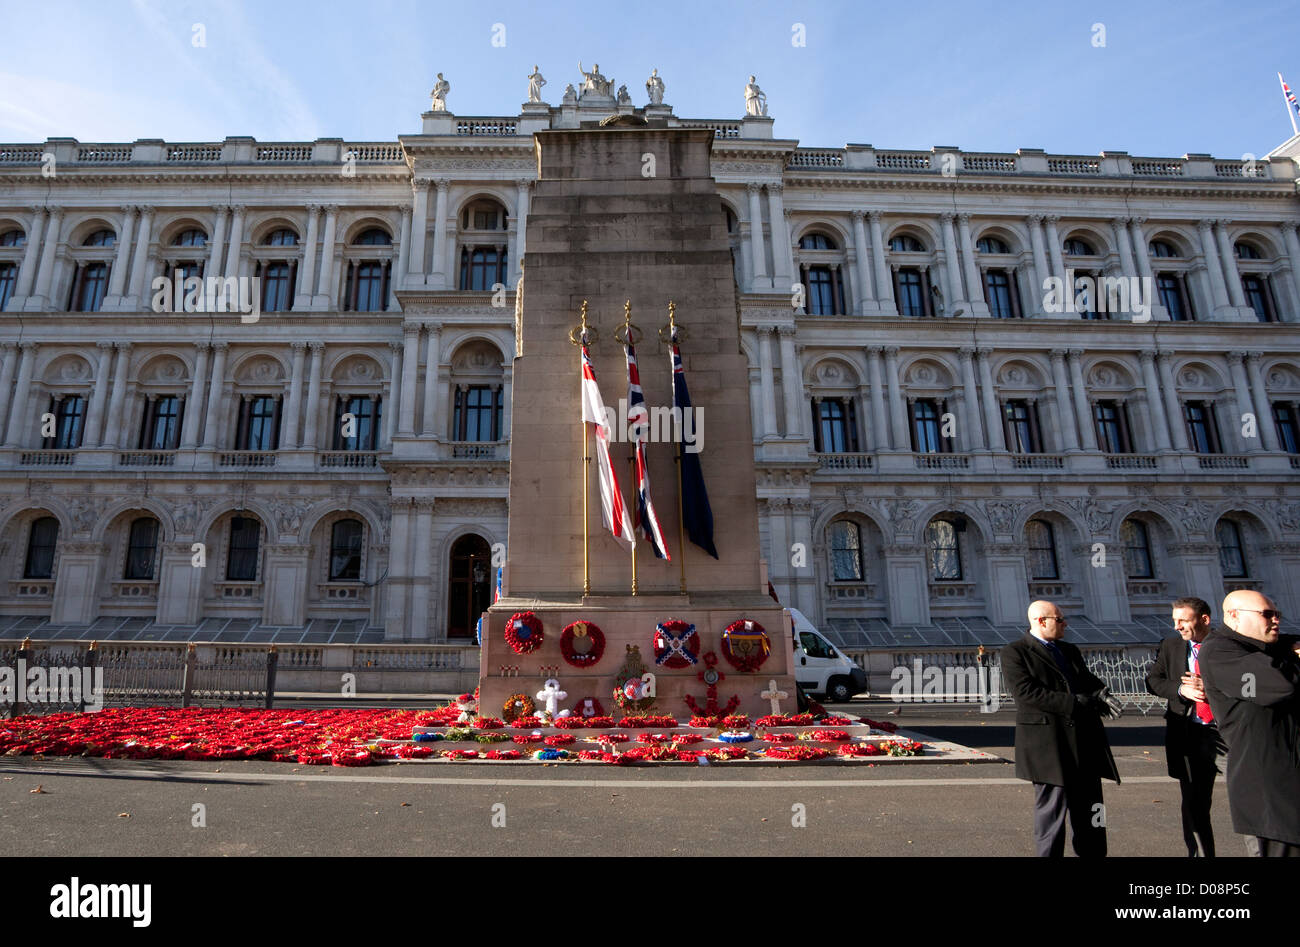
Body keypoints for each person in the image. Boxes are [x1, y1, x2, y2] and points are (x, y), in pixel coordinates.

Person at [1001, 600, 1120, 857]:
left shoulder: (1069, 650)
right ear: (1041, 621)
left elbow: (1085, 679)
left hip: (1084, 743)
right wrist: (1075, 702)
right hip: (1049, 746)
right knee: (1051, 818)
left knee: (1093, 815)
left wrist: (1101, 694)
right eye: (1060, 619)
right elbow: (1027, 693)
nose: (1066, 623)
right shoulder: (1015, 652)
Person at [1199, 589, 1300, 857]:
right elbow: (1280, 684)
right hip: (1271, 792)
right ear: (1233, 615)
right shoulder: (1220, 651)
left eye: (1277, 614)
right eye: (1267, 615)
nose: (1275, 620)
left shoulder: (1271, 648)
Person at [1145, 596, 1227, 856]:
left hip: (1227, 734)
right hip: (1188, 734)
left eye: (1183, 620)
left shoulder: (1227, 646)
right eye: (1174, 621)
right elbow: (1153, 681)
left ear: (1204, 620)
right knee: (1194, 803)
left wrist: (1211, 689)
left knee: (1248, 797)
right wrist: (1181, 689)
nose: (1177, 626)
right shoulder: (1170, 646)